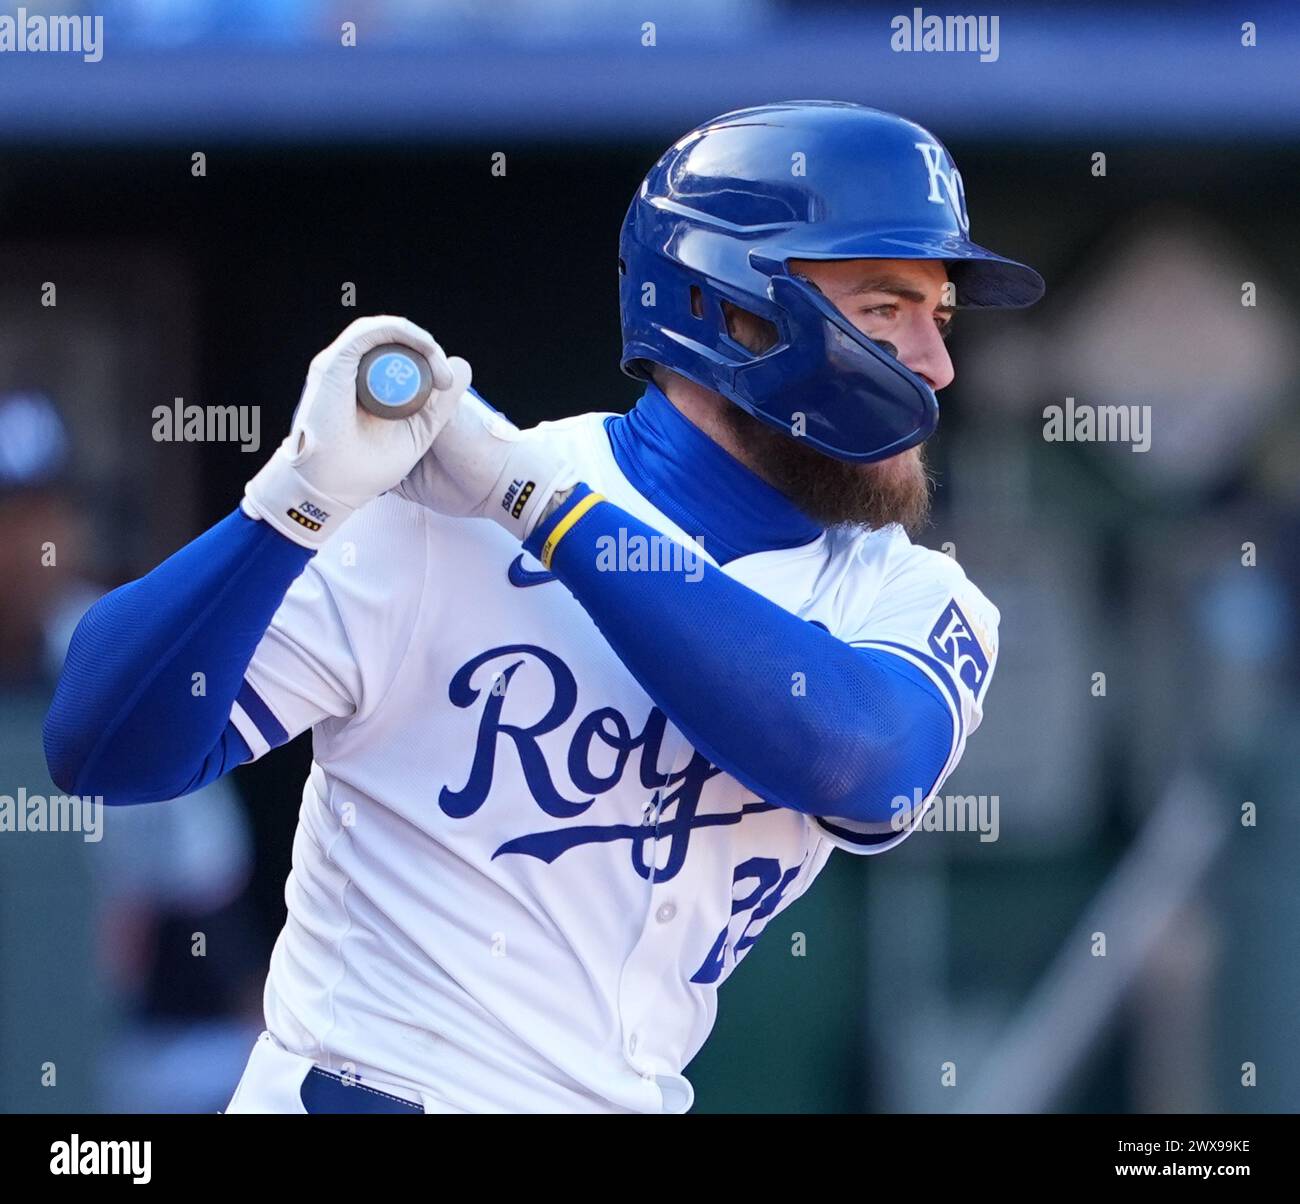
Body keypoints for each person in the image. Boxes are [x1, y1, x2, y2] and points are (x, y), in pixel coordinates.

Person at [44, 102, 1043, 1114]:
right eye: (885, 308)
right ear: (729, 310)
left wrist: (539, 507)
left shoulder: (908, 593)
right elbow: (102, 744)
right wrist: (292, 500)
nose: (935, 362)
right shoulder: (442, 510)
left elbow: (857, 759)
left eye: (939, 315)